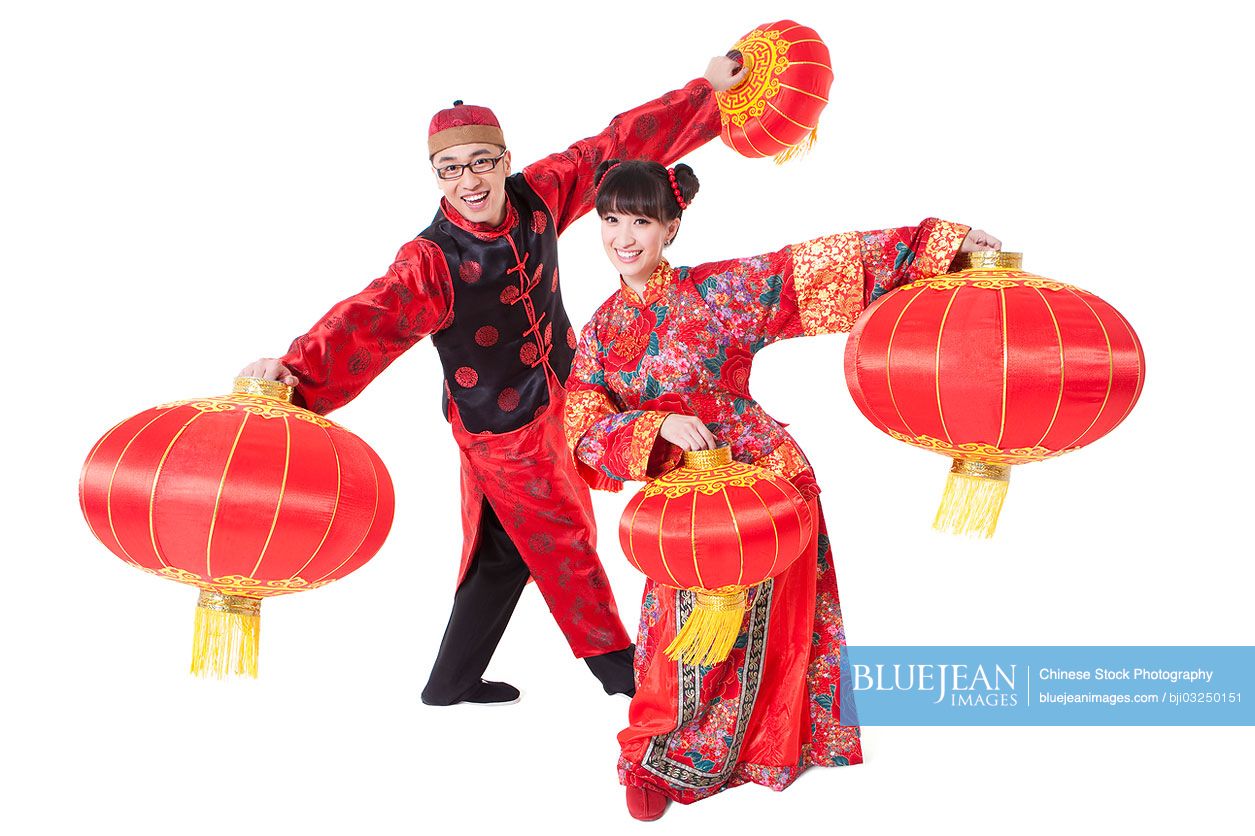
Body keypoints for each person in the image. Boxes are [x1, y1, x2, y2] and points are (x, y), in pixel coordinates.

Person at [240, 57, 745, 706]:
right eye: (450, 168)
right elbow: (366, 320)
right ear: (436, 176)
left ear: (505, 160)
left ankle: (449, 683)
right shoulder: (430, 261)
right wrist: (295, 371)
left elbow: (618, 145)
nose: (468, 180)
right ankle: (621, 672)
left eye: (480, 162)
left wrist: (707, 93)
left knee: (504, 551)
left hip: (559, 399)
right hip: (499, 429)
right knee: (563, 535)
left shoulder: (541, 195)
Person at [563, 159, 1000, 819]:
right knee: (671, 630)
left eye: (642, 221)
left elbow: (812, 270)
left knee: (763, 627)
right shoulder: (598, 330)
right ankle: (668, 747)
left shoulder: (715, 291)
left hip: (762, 481)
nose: (624, 236)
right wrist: (654, 425)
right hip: (680, 501)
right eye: (612, 220)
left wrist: (937, 243)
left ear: (671, 227)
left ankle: (764, 745)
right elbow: (581, 425)